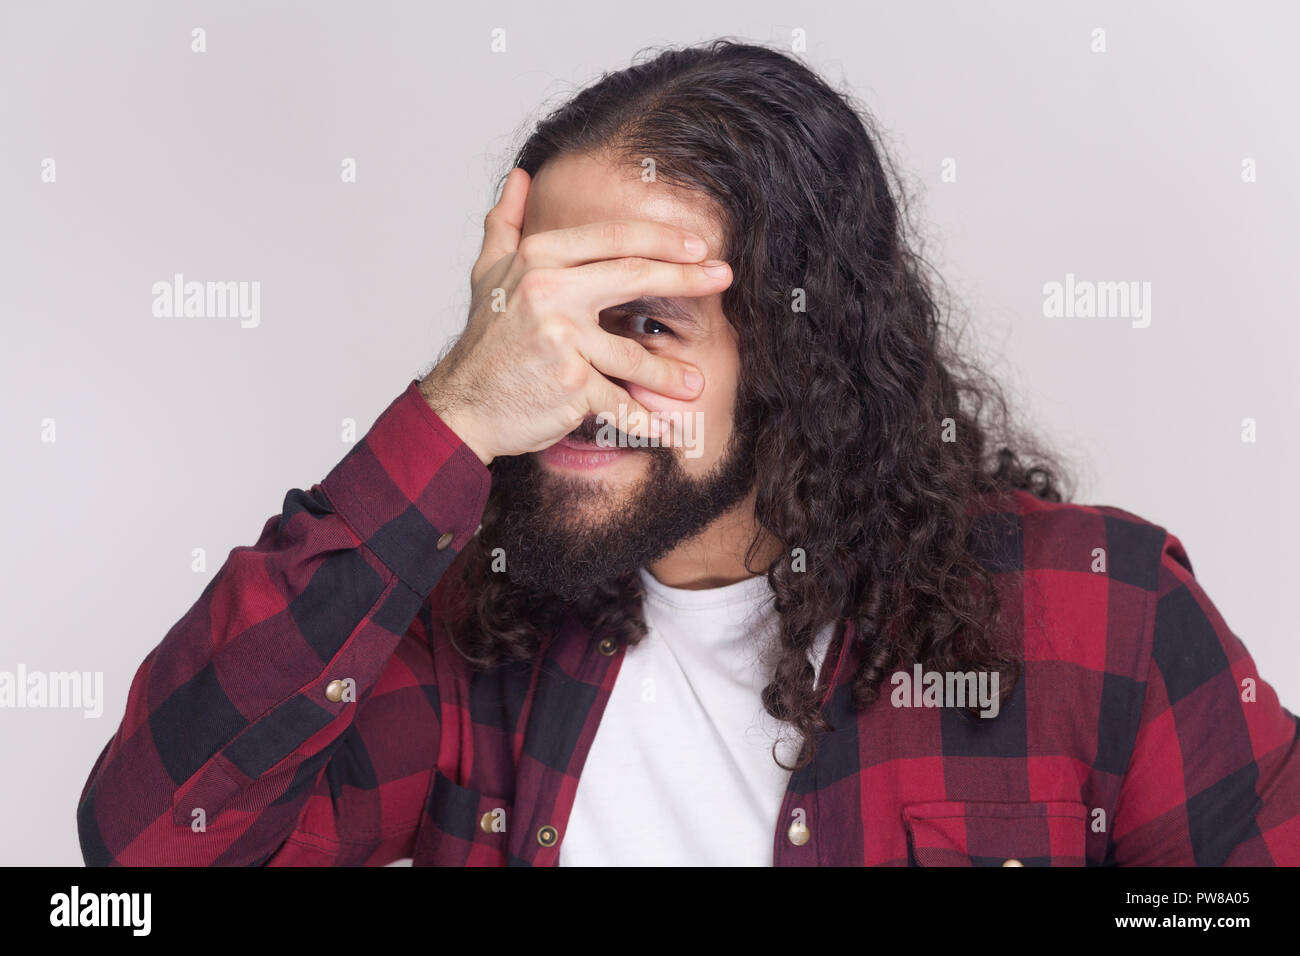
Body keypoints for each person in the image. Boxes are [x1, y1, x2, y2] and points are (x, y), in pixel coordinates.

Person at [78, 39, 1300, 866]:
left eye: (644, 323)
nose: (563, 382)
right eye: (534, 318)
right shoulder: (459, 631)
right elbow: (145, 852)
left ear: (795, 344)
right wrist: (449, 412)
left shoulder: (1104, 611)